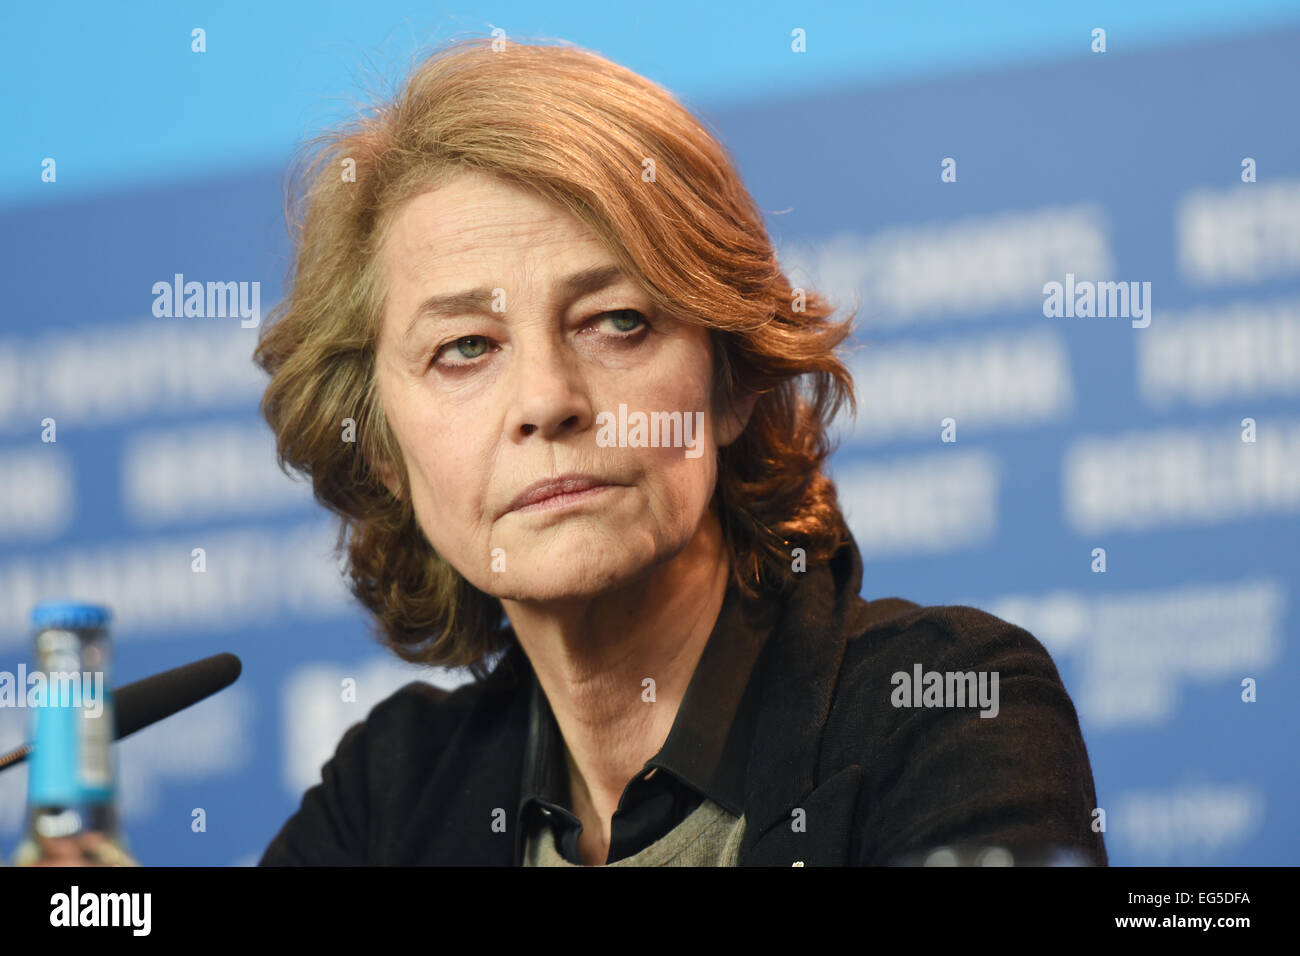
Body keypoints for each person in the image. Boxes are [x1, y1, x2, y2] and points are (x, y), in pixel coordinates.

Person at [254, 36, 1106, 867]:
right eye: (466, 347)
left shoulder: (946, 707)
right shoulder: (391, 795)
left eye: (616, 321)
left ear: (731, 380)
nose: (548, 402)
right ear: (385, 456)